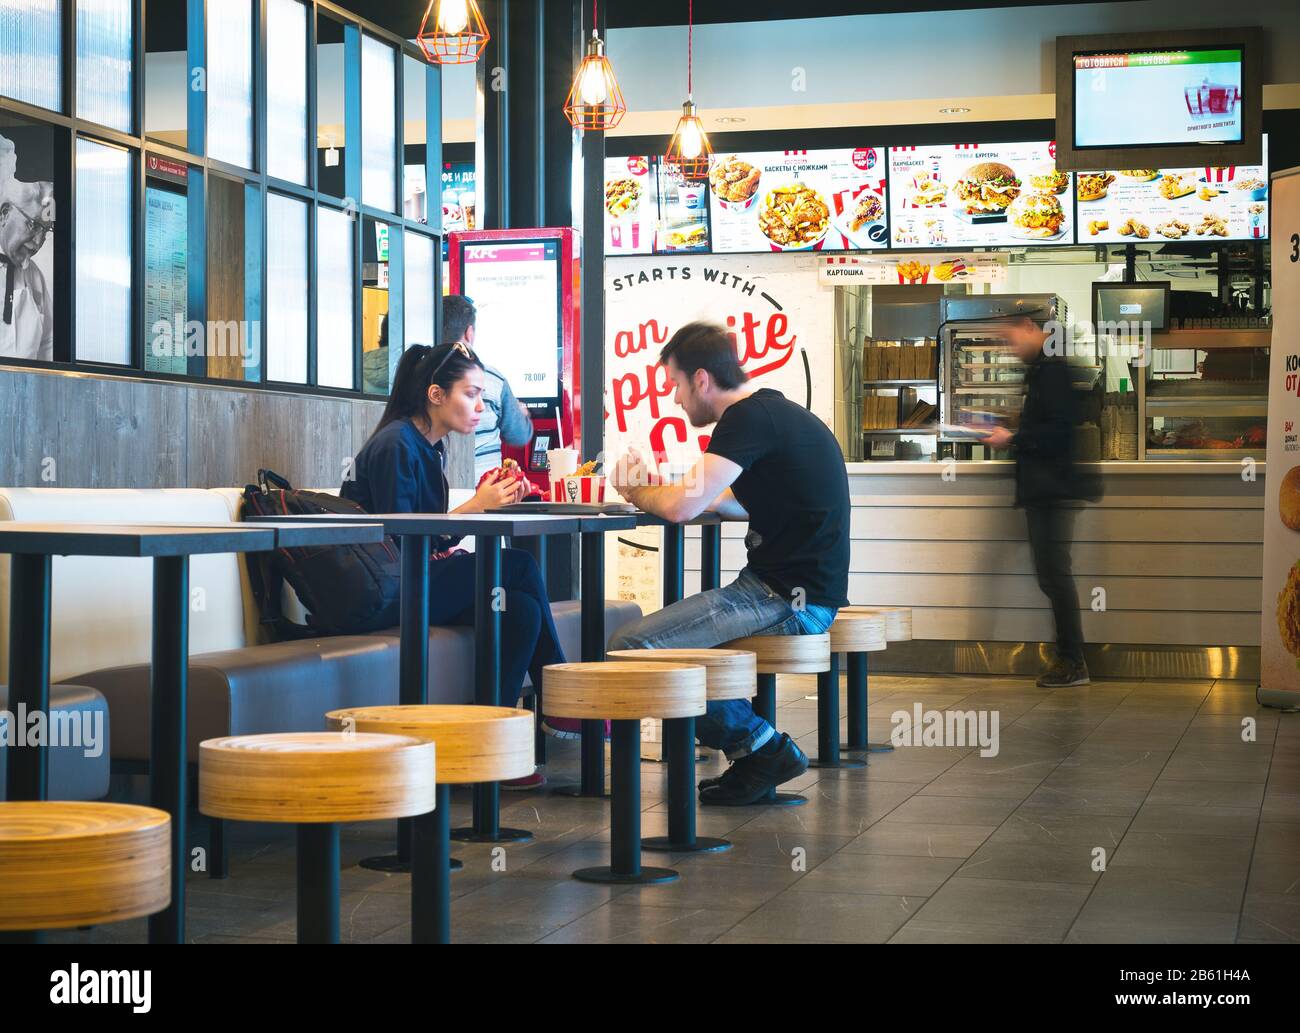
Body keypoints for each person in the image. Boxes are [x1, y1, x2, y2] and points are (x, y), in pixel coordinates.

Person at [608, 321, 851, 806]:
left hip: (786, 599)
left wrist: (636, 489)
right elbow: (726, 501)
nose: (675, 399)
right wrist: (668, 493)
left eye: (676, 385)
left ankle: (763, 748)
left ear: (701, 379)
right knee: (671, 647)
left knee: (633, 645)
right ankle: (755, 752)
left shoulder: (745, 419)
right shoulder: (775, 412)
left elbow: (682, 509)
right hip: (801, 592)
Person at [341, 341, 557, 788]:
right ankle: (561, 698)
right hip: (384, 592)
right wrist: (477, 506)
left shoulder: (428, 447)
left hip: (411, 580)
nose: (480, 407)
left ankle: (485, 753)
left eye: (482, 396)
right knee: (518, 565)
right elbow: (404, 540)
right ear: (436, 395)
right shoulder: (396, 444)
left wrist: (488, 503)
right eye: (471, 394)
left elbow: (432, 538)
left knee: (521, 611)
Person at [979, 314, 1095, 688]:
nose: (1011, 349)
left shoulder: (1052, 371)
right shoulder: (1043, 369)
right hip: (1045, 490)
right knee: (1052, 575)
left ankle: (1073, 662)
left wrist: (1012, 437)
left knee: (1055, 576)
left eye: (1012, 339)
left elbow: (1058, 433)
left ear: (1029, 327)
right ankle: (1070, 658)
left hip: (1052, 491)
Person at [442, 295, 535, 480]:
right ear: (469, 333)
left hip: (435, 489)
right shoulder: (492, 380)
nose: (479, 406)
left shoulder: (419, 375)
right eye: (471, 394)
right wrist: (520, 413)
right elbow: (519, 435)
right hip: (486, 489)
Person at [0, 178, 55, 362]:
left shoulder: (34, 276)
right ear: (4, 214)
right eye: (33, 224)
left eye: (46, 231)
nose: (38, 242)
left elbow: (48, 343)